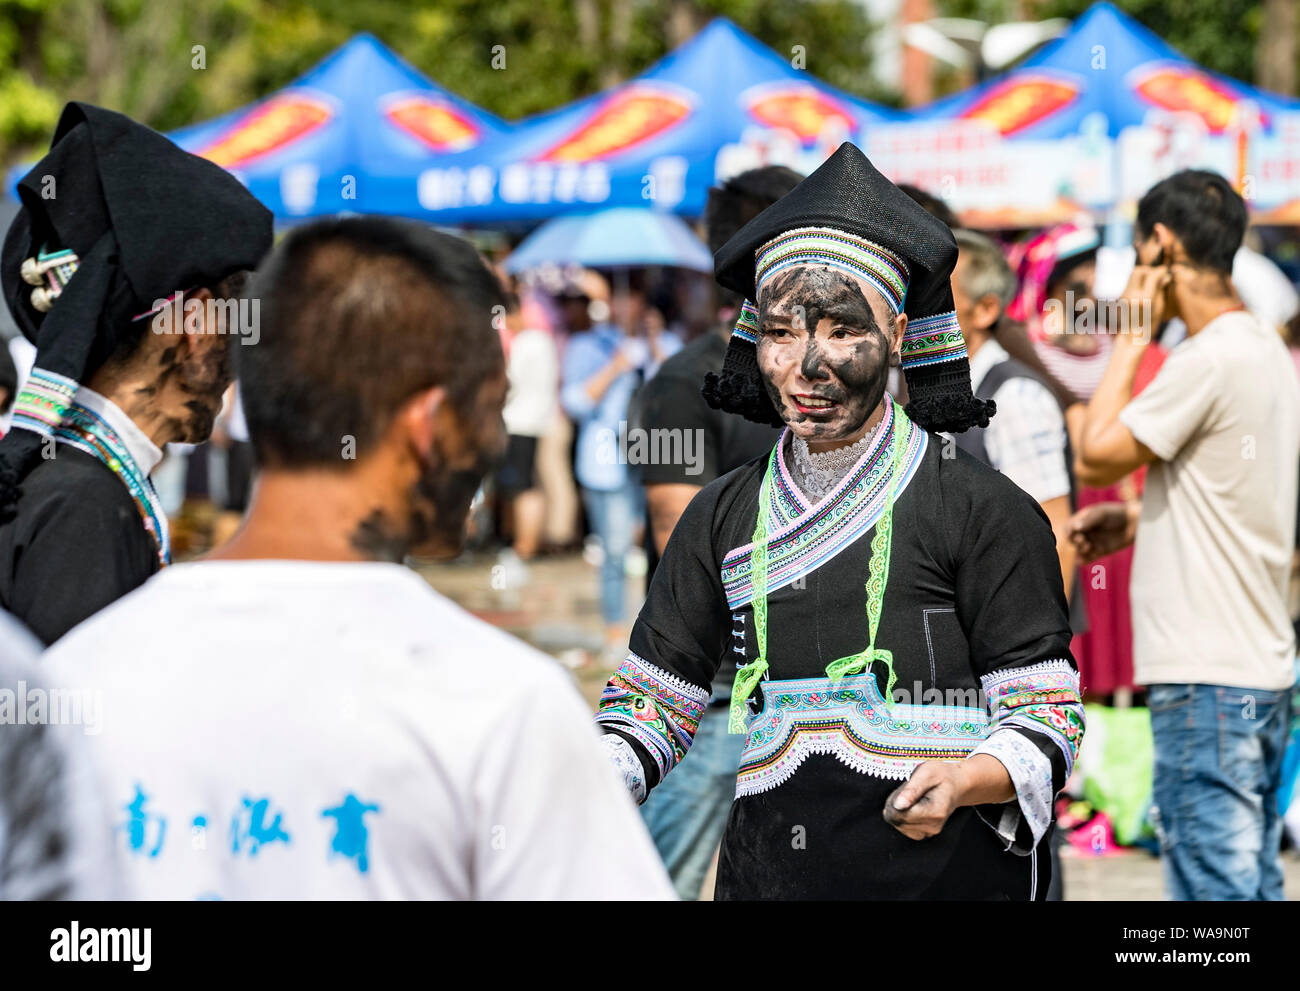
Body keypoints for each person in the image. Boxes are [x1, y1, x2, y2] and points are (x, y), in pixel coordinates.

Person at [42, 216, 674, 900]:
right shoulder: (498, 707)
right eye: (493, 406)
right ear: (428, 429)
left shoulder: (73, 681)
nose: (495, 441)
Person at [596, 143, 1084, 900]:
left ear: (896, 335)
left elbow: (1046, 716)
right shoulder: (721, 517)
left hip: (947, 879)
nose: (808, 365)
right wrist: (590, 776)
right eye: (785, 332)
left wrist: (964, 780)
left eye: (841, 328)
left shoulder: (983, 510)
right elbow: (652, 702)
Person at [1072, 169, 1300, 901]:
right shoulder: (1262, 347)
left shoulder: (1207, 357)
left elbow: (1096, 449)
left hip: (1207, 682)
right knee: (1246, 890)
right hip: (1257, 672)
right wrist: (1142, 519)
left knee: (1216, 909)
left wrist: (1130, 340)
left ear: (1161, 247)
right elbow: (1248, 498)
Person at [0, 103, 273, 645]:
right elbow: (73, 726)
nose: (236, 365)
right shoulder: (83, 505)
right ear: (193, 324)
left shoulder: (73, 483)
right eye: (237, 328)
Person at [634, 165, 801, 899]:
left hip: (817, 676)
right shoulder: (680, 382)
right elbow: (677, 528)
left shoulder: (822, 374)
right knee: (656, 877)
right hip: (713, 680)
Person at [561, 271, 681, 662]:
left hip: (656, 455)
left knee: (659, 548)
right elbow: (575, 404)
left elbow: (684, 396)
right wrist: (616, 365)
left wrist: (655, 354)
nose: (628, 307)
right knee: (613, 549)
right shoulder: (586, 345)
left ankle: (659, 632)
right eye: (621, 299)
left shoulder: (666, 344)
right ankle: (615, 630)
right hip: (606, 460)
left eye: (636, 299)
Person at [950, 229, 1074, 601]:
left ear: (986, 309)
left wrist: (1041, 653)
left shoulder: (1015, 397)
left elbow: (1054, 538)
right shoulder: (917, 388)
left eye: (937, 295)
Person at [494, 278, 559, 584]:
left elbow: (509, 383)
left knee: (522, 488)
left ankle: (523, 547)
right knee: (527, 484)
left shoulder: (527, 342)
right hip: (536, 419)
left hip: (519, 421)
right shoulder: (543, 341)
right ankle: (524, 545)